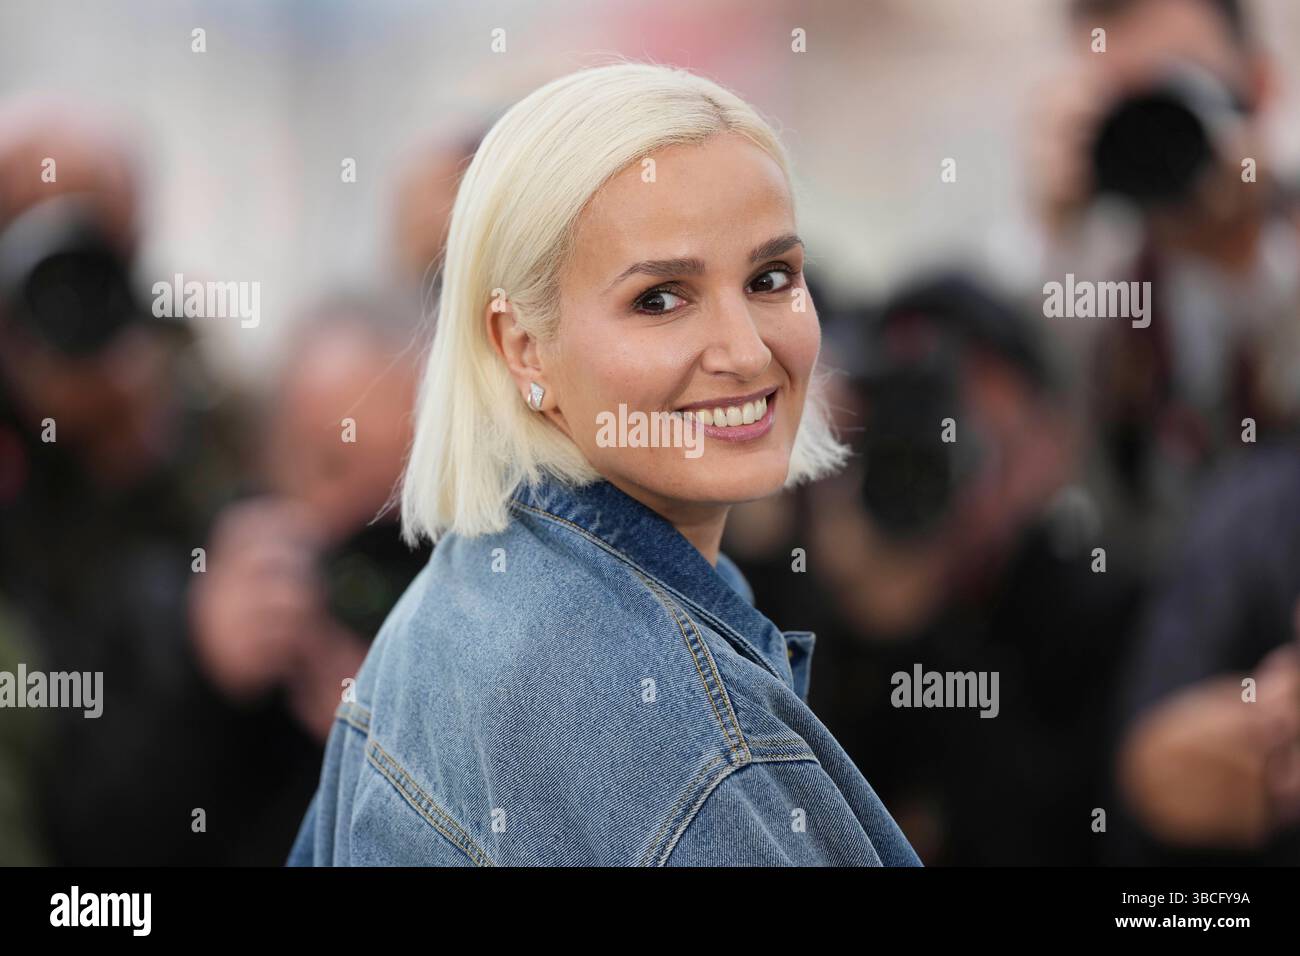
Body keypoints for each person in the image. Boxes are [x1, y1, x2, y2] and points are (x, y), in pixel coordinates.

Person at [287, 61, 920, 866]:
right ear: (522, 347)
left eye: (770, 278)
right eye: (660, 297)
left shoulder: (473, 591)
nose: (746, 349)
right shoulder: (682, 738)